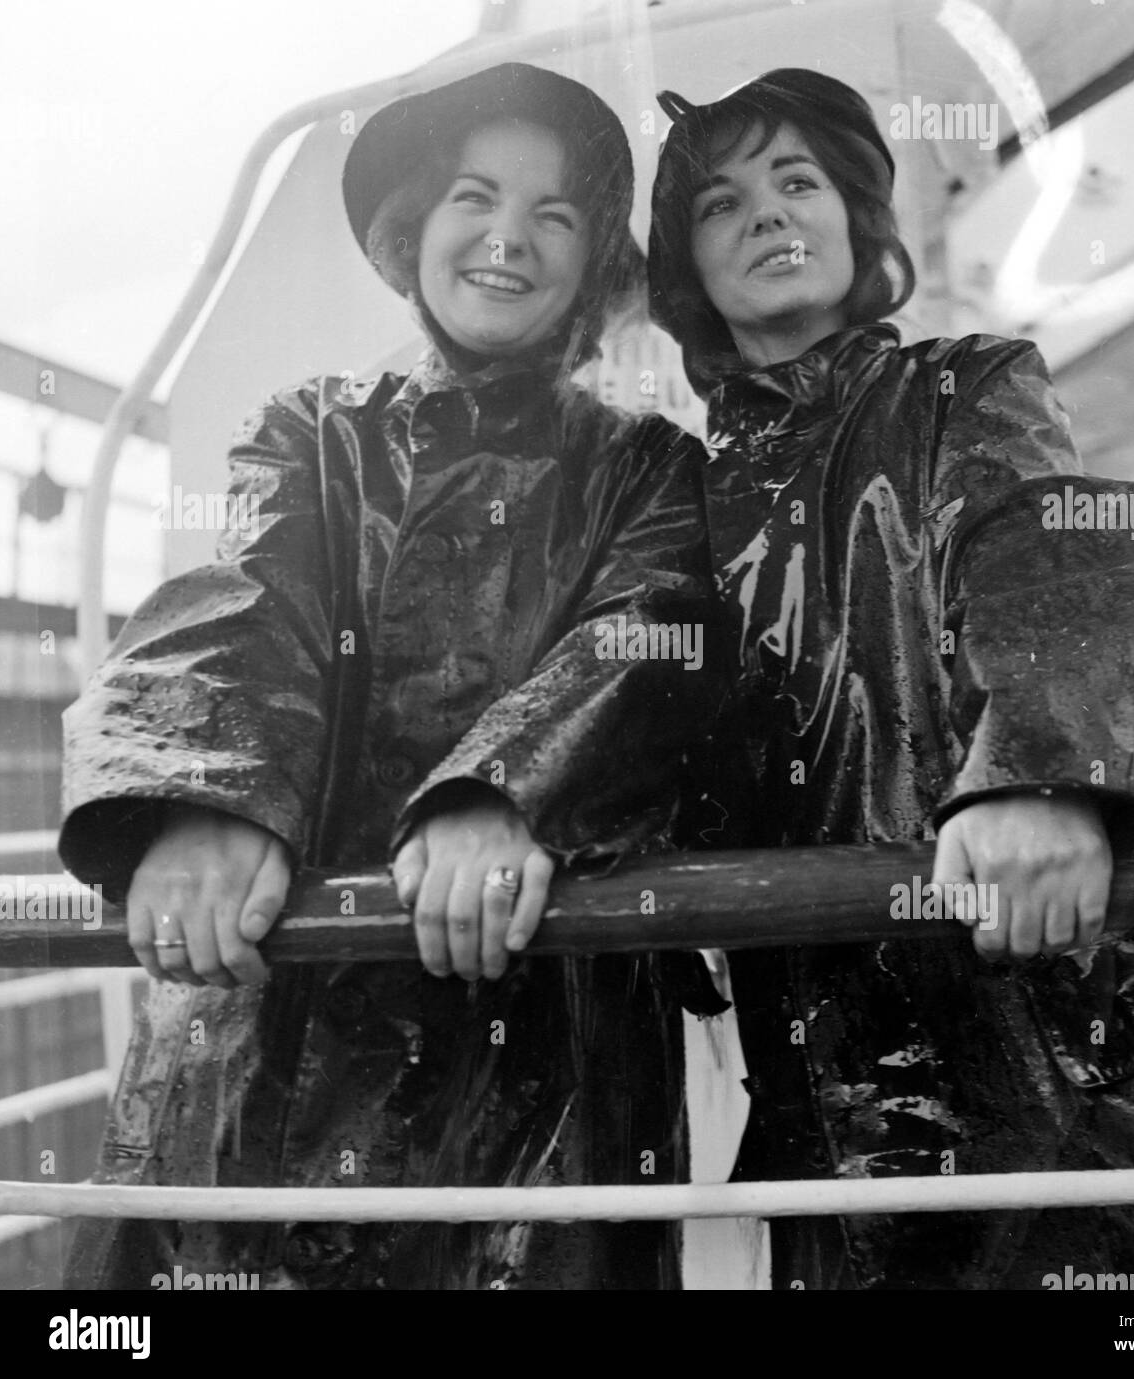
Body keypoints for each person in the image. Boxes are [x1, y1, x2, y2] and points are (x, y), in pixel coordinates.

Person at [60, 61, 711, 1290]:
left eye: (556, 214)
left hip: (539, 1063)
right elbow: (250, 599)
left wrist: (506, 790)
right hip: (267, 1043)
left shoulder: (648, 469)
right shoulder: (312, 430)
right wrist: (205, 795)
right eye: (476, 195)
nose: (507, 238)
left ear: (590, 267)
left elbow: (651, 634)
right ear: (414, 228)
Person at [648, 68, 1134, 1289]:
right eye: (719, 204)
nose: (770, 215)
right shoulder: (666, 499)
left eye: (800, 181)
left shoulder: (967, 384)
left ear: (855, 216)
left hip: (1076, 1038)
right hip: (836, 1105)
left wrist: (1041, 770)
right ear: (686, 265)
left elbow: (1061, 543)